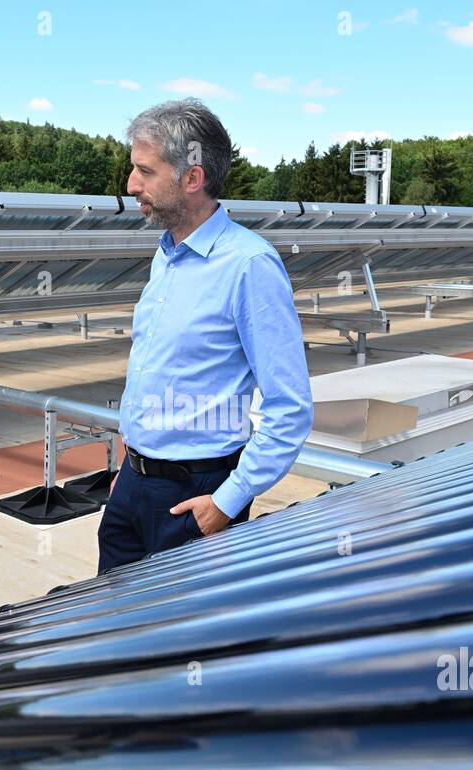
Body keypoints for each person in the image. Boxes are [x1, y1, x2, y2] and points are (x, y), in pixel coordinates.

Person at [97, 99, 313, 574]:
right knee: (114, 637)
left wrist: (227, 501)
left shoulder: (248, 265)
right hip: (132, 488)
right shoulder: (166, 254)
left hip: (195, 497)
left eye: (145, 171)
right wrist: (131, 467)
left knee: (186, 645)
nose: (132, 185)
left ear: (191, 178)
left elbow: (290, 407)